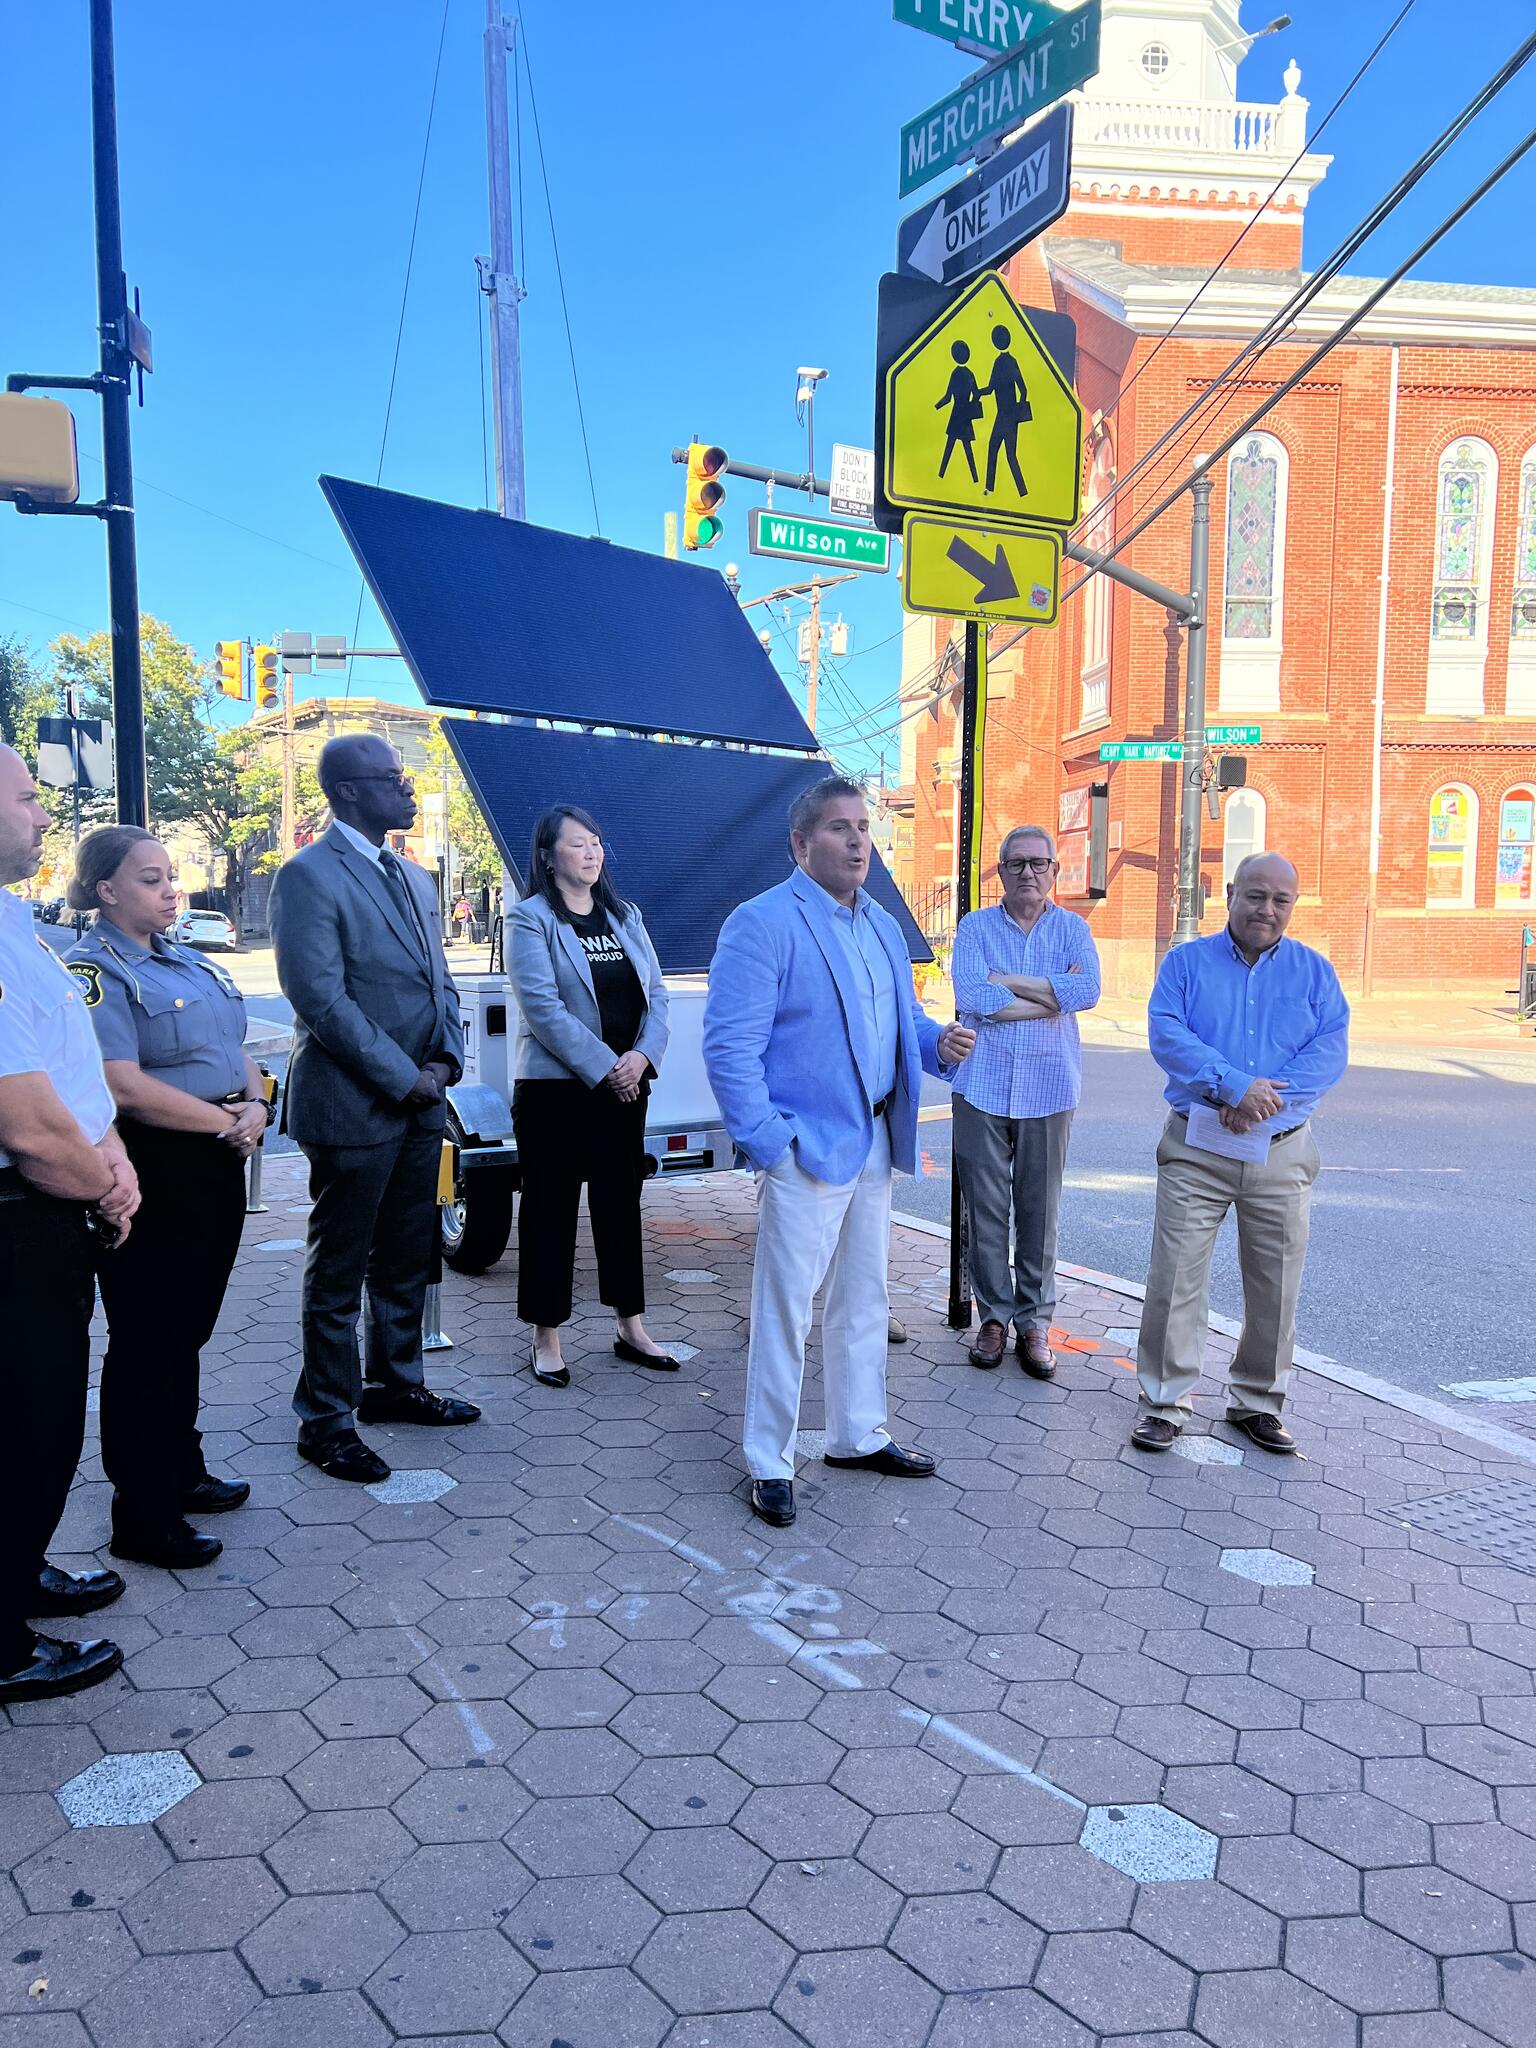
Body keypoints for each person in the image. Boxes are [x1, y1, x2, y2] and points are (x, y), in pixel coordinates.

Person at [704, 776, 975, 1528]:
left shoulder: (883, 924)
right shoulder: (761, 923)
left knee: (865, 1300)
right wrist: (771, 1145)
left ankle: (858, 1434)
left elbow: (902, 1022)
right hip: (806, 1150)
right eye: (838, 828)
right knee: (785, 1309)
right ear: (799, 843)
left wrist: (938, 1046)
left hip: (875, 1142)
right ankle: (769, 1457)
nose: (858, 841)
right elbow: (730, 1050)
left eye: (863, 827)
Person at [270, 735, 479, 1483]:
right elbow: (319, 998)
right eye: (394, 778)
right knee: (339, 1270)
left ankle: (395, 1385)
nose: (410, 788)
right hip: (354, 1107)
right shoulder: (307, 878)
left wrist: (449, 1057)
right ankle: (326, 1420)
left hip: (423, 1096)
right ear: (350, 792)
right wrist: (403, 1077)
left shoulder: (414, 877)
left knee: (406, 1256)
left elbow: (439, 979)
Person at [66, 828, 266, 1569]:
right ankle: (142, 1513)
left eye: (171, 877)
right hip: (151, 1167)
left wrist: (256, 1104)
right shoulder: (96, 969)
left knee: (188, 1331)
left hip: (216, 1158)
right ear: (105, 889)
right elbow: (121, 1084)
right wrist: (227, 1121)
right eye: (151, 879)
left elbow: (232, 1047)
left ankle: (181, 1470)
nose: (171, 889)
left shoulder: (185, 960)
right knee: (149, 1340)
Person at [0, 745, 139, 1703]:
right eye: (26, 797)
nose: (45, 816)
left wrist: (108, 1152)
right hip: (20, 1221)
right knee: (24, 1427)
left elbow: (63, 1077)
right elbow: (23, 1120)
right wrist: (104, 1181)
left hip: (53, 1205)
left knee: (41, 1425)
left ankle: (16, 1573)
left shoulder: (13, 922)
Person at [1132, 853, 1350, 1455]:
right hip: (1197, 1144)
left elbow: (1327, 1052)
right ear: (1229, 894)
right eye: (1256, 896)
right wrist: (1233, 1086)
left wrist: (1260, 1103)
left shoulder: (1314, 973)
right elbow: (1167, 1034)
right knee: (1174, 1276)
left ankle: (1257, 1401)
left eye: (1281, 900)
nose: (1268, 910)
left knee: (1276, 1283)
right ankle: (1164, 1401)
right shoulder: (1185, 964)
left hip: (1280, 1150)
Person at [506, 805, 675, 1386]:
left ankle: (631, 1325)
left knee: (620, 1205)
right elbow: (543, 1009)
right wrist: (608, 1066)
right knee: (550, 1209)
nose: (591, 852)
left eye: (596, 842)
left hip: (626, 1087)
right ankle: (546, 1336)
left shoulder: (624, 915)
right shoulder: (529, 920)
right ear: (549, 856)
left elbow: (657, 995)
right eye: (577, 844)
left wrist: (642, 1058)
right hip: (557, 1091)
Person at [950, 826, 1101, 1377]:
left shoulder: (1073, 929)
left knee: (1039, 1210)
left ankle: (1034, 1322)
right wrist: (1050, 993)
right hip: (982, 1085)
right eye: (1016, 864)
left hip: (1050, 1086)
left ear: (1055, 871)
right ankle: (994, 1317)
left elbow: (1089, 992)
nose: (1028, 873)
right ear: (1001, 871)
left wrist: (1007, 983)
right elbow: (971, 995)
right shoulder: (974, 927)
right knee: (986, 1209)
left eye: (1039, 864)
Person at [982, 323, 1030, 498]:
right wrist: (1018, 410)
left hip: (1004, 415)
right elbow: (1023, 390)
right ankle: (1020, 491)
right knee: (1007, 453)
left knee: (996, 449)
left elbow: (991, 388)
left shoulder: (1001, 363)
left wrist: (977, 391)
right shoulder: (1009, 362)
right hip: (1008, 416)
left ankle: (991, 489)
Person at [935, 340, 982, 483]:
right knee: (965, 448)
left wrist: (936, 406)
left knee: (951, 446)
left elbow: (948, 397)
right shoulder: (970, 374)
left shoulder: (956, 374)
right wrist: (972, 404)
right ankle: (975, 478)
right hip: (965, 414)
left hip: (957, 414)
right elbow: (977, 393)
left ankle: (941, 475)